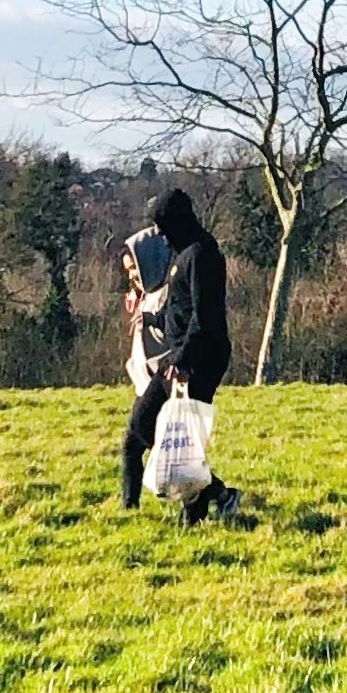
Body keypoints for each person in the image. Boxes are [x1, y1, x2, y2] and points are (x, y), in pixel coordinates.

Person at [119, 185, 238, 523]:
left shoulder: (202, 255)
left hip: (198, 360)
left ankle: (206, 503)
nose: (162, 236)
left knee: (160, 432)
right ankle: (210, 498)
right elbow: (179, 310)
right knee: (142, 431)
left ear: (178, 222)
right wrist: (148, 316)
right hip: (181, 358)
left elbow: (205, 318)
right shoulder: (183, 253)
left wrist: (183, 361)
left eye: (164, 227)